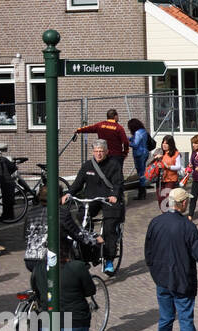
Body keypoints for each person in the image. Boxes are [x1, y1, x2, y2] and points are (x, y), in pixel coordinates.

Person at [144, 187, 198, 331]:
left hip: (162, 280)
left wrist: (156, 274)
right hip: (182, 281)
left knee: (165, 319)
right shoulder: (187, 226)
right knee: (185, 320)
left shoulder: (155, 222)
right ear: (182, 203)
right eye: (187, 201)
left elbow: (148, 253)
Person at [63, 139, 124, 275]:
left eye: (101, 151)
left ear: (107, 152)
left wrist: (114, 195)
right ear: (93, 152)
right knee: (80, 223)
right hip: (92, 200)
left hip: (109, 201)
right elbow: (77, 183)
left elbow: (118, 183)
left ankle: (109, 259)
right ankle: (85, 254)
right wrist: (68, 194)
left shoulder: (114, 165)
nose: (99, 154)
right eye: (96, 151)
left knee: (109, 228)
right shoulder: (87, 166)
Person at [74, 109, 131, 178]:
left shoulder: (100, 125)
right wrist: (125, 153)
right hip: (116, 155)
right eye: (117, 116)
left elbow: (89, 128)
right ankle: (116, 188)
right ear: (115, 116)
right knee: (117, 174)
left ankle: (105, 188)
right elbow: (125, 142)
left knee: (104, 173)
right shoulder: (119, 128)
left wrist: (78, 130)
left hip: (104, 155)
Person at [127, 118, 151, 199]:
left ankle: (142, 193)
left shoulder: (137, 133)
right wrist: (129, 138)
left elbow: (135, 144)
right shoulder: (143, 131)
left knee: (140, 174)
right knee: (143, 172)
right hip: (145, 152)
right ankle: (143, 192)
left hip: (139, 154)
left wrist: (127, 142)